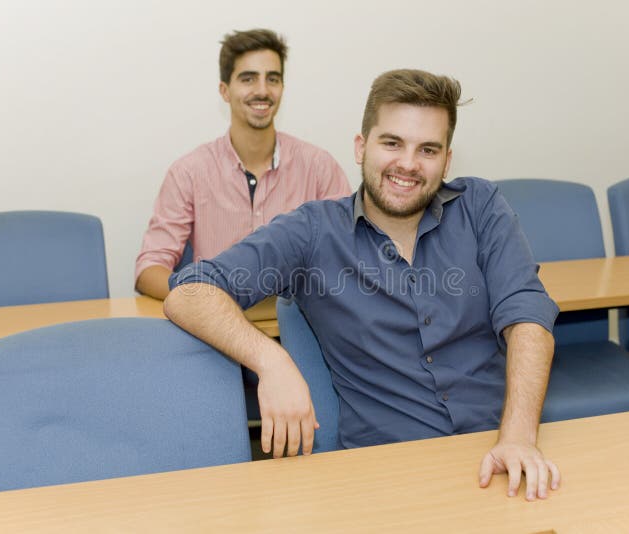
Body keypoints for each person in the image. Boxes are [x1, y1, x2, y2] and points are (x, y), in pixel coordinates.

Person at [165, 69, 561, 501]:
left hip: (501, 453)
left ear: (447, 161)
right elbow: (190, 291)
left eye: (427, 149)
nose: (407, 164)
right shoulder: (313, 231)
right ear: (361, 147)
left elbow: (527, 313)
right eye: (392, 143)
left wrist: (519, 436)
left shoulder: (481, 206)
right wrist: (270, 360)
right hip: (388, 476)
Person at [135, 29, 351, 299]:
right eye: (248, 79)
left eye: (272, 79)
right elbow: (149, 269)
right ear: (224, 91)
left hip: (299, 328)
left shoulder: (319, 168)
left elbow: (349, 259)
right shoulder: (188, 173)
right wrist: (203, 300)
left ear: (282, 87)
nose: (262, 91)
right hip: (215, 330)